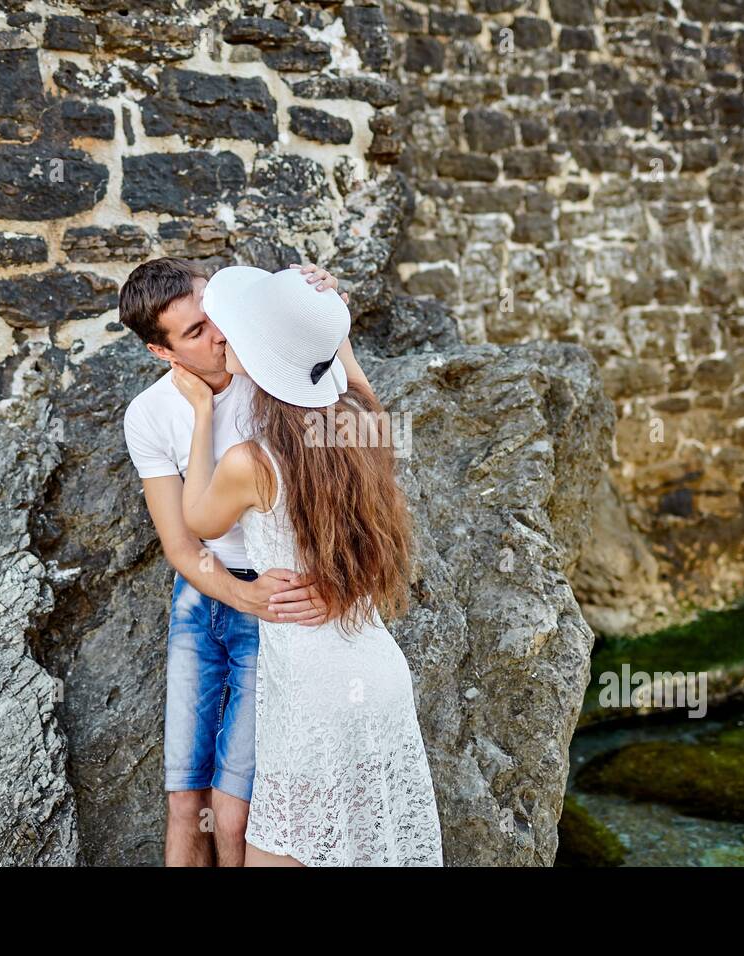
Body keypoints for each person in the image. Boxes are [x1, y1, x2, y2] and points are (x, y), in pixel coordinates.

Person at [171, 264, 444, 866]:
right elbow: (361, 392)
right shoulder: (360, 427)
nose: (220, 333)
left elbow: (198, 519)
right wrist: (331, 331)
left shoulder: (251, 461)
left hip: (313, 690)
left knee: (283, 852)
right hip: (376, 673)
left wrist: (199, 413)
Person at [118, 257, 350, 866]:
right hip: (201, 598)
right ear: (159, 352)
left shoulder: (266, 375)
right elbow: (180, 542)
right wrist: (238, 594)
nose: (217, 335)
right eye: (193, 333)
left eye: (212, 316)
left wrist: (326, 301)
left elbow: (351, 417)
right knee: (183, 800)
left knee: (236, 808)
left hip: (278, 598)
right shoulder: (147, 414)